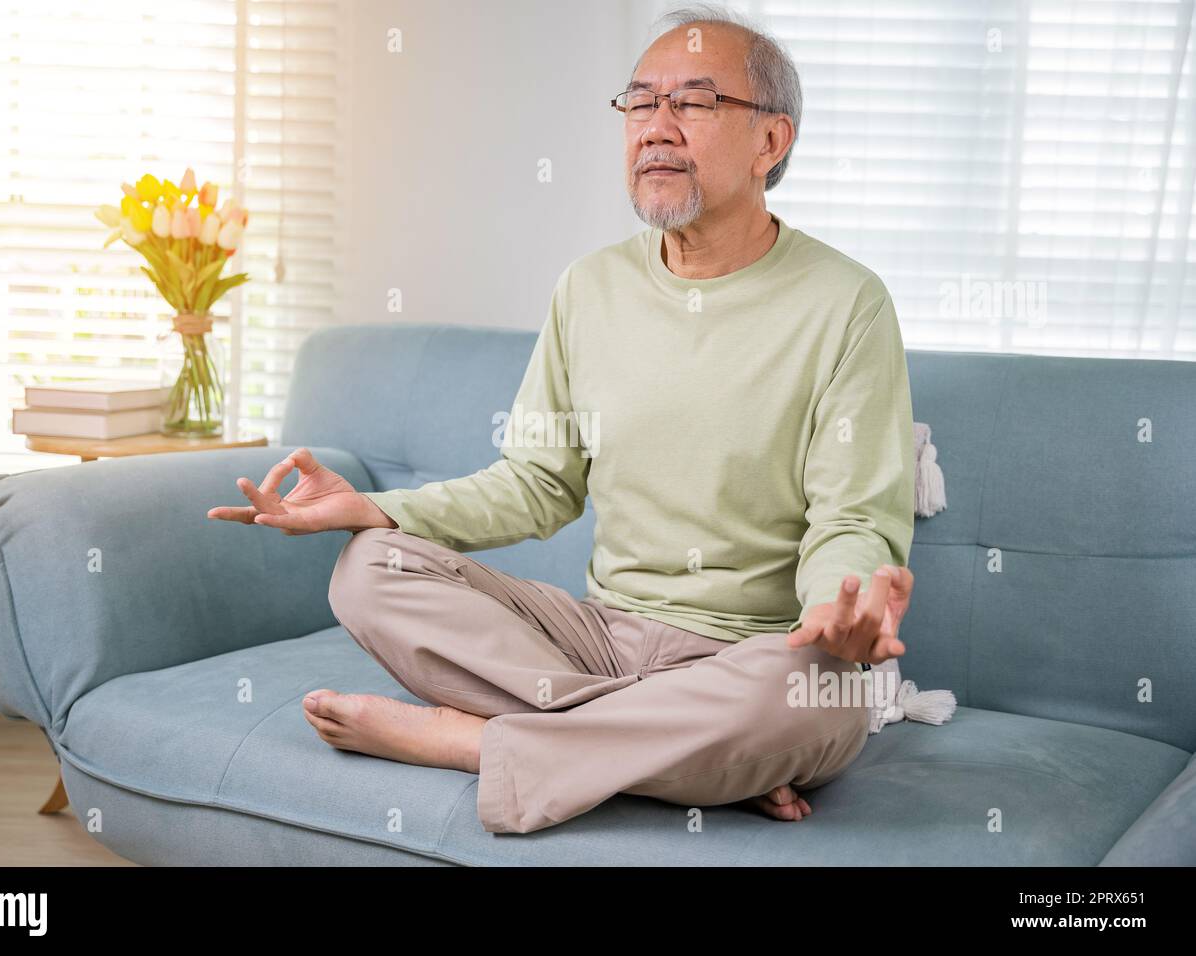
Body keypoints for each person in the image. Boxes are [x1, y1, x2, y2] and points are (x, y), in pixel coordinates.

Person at [208, 3, 917, 835]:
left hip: (751, 651)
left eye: (692, 103)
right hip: (594, 639)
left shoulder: (847, 302)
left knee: (816, 697)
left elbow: (852, 516)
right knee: (369, 571)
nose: (655, 127)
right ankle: (682, 754)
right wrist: (379, 510)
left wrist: (845, 605)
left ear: (771, 142)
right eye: (639, 102)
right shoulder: (590, 287)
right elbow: (539, 482)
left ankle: (475, 743)